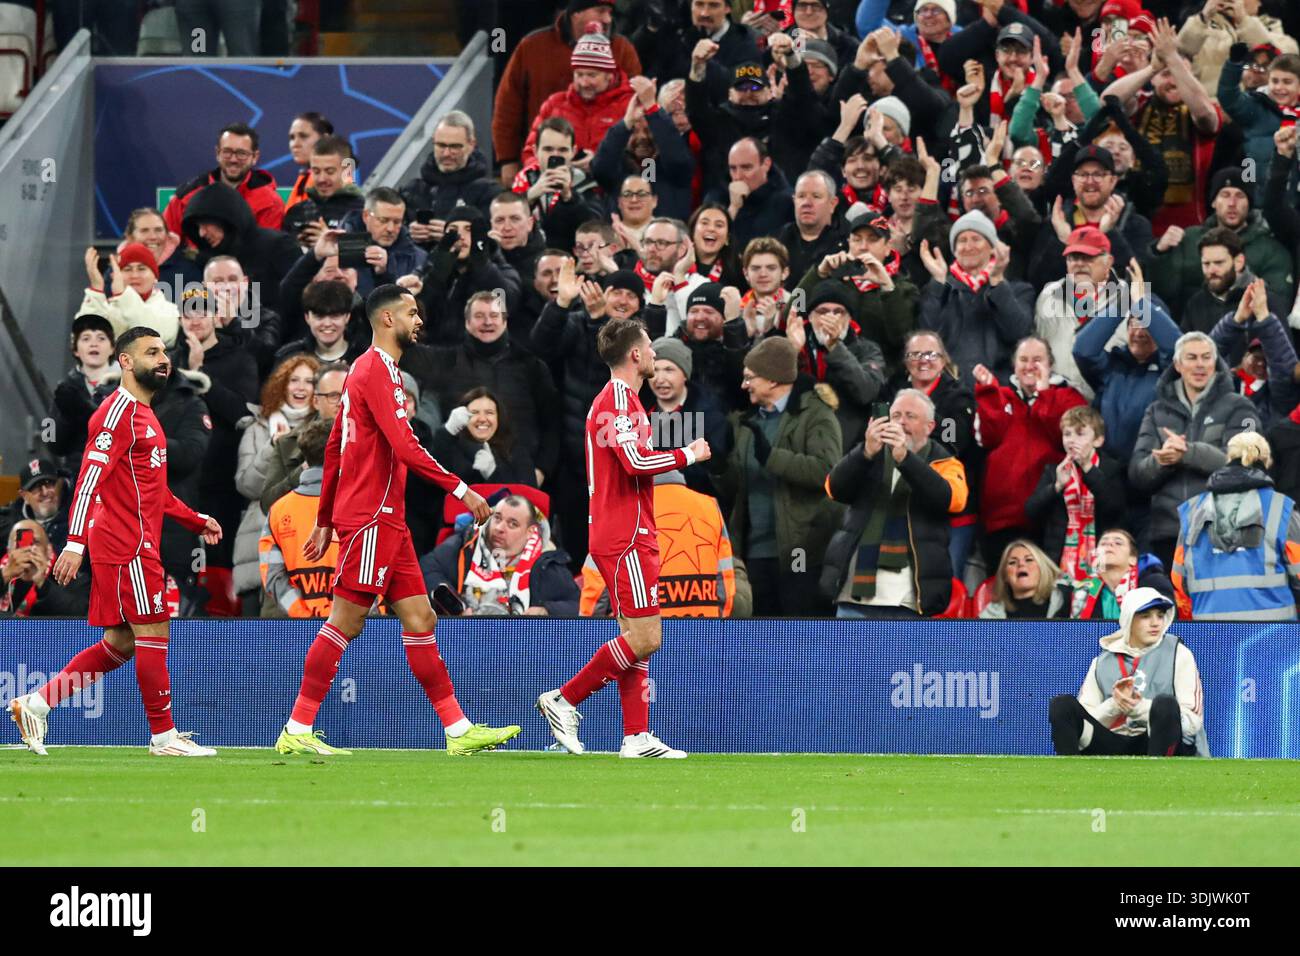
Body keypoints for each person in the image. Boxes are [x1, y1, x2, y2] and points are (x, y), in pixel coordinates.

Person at [276, 285, 519, 757]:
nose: (418, 319)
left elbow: (333, 449)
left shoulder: (360, 372)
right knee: (346, 620)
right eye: (411, 312)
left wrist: (325, 517)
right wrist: (462, 488)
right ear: (387, 319)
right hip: (372, 517)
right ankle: (298, 726)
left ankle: (457, 729)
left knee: (420, 616)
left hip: (386, 518)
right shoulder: (378, 371)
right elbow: (406, 446)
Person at [9, 328, 223, 757]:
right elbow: (89, 478)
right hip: (125, 546)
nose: (163, 359)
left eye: (164, 351)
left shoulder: (145, 415)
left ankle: (36, 703)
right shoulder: (117, 414)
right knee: (154, 631)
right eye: (151, 352)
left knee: (122, 643)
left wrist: (195, 519)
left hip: (132, 542)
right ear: (125, 362)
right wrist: (73, 542)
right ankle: (164, 737)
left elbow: (154, 491)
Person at [536, 316, 710, 759]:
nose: (654, 354)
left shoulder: (619, 399)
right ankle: (565, 698)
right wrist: (687, 453)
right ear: (635, 354)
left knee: (634, 633)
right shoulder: (617, 398)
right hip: (626, 533)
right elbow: (634, 461)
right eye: (650, 347)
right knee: (647, 637)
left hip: (624, 529)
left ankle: (635, 736)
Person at [716, 336, 844, 616]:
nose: (743, 385)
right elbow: (734, 487)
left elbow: (827, 472)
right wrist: (717, 467)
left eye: (750, 377)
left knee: (800, 645)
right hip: (752, 554)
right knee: (758, 647)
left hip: (802, 555)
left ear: (773, 380)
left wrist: (772, 457)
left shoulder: (816, 415)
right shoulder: (745, 422)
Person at [823, 388, 967, 618]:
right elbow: (834, 488)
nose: (901, 422)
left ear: (929, 427)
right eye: (896, 415)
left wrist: (905, 459)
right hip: (854, 594)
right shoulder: (868, 456)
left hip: (908, 599)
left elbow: (952, 500)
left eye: (911, 416)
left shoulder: (946, 462)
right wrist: (865, 451)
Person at [1129, 331, 1257, 571]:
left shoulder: (1239, 407)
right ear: (1178, 364)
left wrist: (1188, 453)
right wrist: (1163, 460)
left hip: (1222, 533)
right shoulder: (1156, 411)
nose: (1200, 364)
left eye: (1207, 357)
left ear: (1215, 362)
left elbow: (1246, 465)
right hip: (1169, 533)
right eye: (1192, 357)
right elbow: (1137, 474)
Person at [493, 0, 642, 185]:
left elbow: (641, 136)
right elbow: (507, 107)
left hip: (611, 186)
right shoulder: (532, 47)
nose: (607, 19)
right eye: (601, 11)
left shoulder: (622, 50)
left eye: (610, 13)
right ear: (576, 13)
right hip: (549, 178)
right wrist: (507, 160)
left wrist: (605, 164)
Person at [1048, 587, 1209, 757]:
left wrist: (1140, 708)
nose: (1155, 623)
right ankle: (1070, 777)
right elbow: (1087, 719)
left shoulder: (1179, 653)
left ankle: (1159, 777)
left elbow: (1193, 722)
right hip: (1112, 742)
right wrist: (1115, 705)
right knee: (1062, 705)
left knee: (1165, 705)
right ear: (1128, 619)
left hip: (1159, 743)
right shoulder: (1101, 662)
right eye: (1146, 616)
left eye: (1160, 616)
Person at [973, 336, 1088, 567]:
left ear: (1051, 364)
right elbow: (987, 437)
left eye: (1038, 360)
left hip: (1049, 520)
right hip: (1000, 520)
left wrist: (1044, 395)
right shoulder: (1002, 395)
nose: (1030, 366)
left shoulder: (1068, 397)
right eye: (1023, 359)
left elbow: (1067, 439)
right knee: (1002, 593)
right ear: (1014, 365)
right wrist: (988, 394)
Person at [579, 469, 748, 618]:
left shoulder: (620, 512)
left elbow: (596, 592)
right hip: (699, 638)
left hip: (643, 642)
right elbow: (725, 587)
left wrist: (592, 634)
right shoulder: (710, 507)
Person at [1172, 431, 1300, 621]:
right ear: (1266, 462)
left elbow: (1179, 581)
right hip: (1274, 639)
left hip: (1211, 634)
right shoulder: (1281, 509)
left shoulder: (1193, 511)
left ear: (1228, 458)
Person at [234, 355, 321, 613]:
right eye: (294, 380)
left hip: (308, 539)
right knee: (263, 640)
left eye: (309, 381)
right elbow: (246, 485)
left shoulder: (326, 430)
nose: (301, 388)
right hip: (257, 538)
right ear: (281, 384)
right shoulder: (257, 427)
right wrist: (273, 446)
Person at [1148, 168, 1294, 319]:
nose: (1232, 203)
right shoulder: (1189, 238)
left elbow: (1278, 305)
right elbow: (1162, 293)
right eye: (1224, 195)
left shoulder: (1271, 249)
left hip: (1245, 332)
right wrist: (1159, 253)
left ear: (1249, 204)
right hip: (1188, 332)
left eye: (1240, 196)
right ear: (1213, 202)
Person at [918, 211, 1034, 384]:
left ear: (992, 247)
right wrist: (938, 282)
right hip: (951, 392)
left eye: (976, 239)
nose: (968, 246)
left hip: (999, 392)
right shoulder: (940, 289)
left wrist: (997, 283)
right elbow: (926, 333)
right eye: (962, 241)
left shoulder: (1019, 290)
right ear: (954, 250)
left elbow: (1018, 333)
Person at [422, 495, 580, 617]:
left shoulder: (546, 561)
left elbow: (577, 604)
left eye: (512, 524)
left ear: (530, 532)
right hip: (465, 635)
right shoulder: (467, 543)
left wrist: (546, 610)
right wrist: (454, 606)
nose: (499, 528)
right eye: (497, 518)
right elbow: (426, 568)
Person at [1024, 406, 1128, 580]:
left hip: (1102, 558)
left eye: (1080, 434)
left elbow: (1114, 508)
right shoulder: (1053, 470)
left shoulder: (1112, 468)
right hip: (1061, 560)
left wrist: (1088, 468)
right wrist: (1056, 486)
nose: (1072, 440)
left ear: (1098, 440)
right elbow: (1031, 511)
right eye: (1067, 434)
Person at [519, 25, 635, 169]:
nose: (584, 83)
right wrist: (545, 172)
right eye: (579, 74)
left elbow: (642, 157)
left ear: (609, 76)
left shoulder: (630, 106)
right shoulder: (554, 105)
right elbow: (530, 152)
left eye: (592, 75)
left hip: (614, 188)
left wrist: (598, 164)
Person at [258, 417, 337, 619]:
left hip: (296, 631)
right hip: (358, 632)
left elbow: (273, 577)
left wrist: (304, 617)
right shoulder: (362, 508)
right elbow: (373, 575)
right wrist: (343, 618)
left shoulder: (278, 510)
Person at [181, 182, 301, 314]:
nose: (201, 233)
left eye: (205, 224)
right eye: (198, 226)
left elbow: (298, 297)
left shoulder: (278, 246)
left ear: (226, 219)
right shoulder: (209, 260)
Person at [163, 122, 285, 237]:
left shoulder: (270, 203)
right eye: (227, 152)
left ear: (255, 157)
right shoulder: (186, 197)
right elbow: (166, 248)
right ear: (217, 153)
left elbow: (268, 253)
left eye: (241, 153)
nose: (233, 159)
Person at [646, 335, 732, 497]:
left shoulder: (710, 416)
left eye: (669, 370)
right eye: (654, 370)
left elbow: (718, 475)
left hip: (694, 508)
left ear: (685, 374)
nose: (660, 379)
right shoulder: (639, 411)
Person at [260, 362, 350, 514]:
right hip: (302, 527)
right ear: (315, 401)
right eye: (333, 396)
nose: (342, 403)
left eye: (348, 395)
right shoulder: (289, 443)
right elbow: (268, 504)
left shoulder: (374, 440)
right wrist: (304, 469)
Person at [400, 110, 502, 239]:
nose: (447, 153)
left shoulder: (490, 194)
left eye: (455, 146)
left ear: (471, 145)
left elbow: (496, 241)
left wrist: (457, 236)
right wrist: (407, 234)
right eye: (441, 145)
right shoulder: (411, 190)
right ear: (433, 142)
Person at [48, 315, 117, 474]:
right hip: (77, 478)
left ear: (113, 347)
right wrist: (67, 417)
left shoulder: (127, 386)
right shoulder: (64, 389)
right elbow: (50, 441)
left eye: (101, 338)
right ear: (75, 349)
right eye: (86, 338)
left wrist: (86, 410)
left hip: (116, 476)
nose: (94, 343)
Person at [1177, 0, 1297, 91]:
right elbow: (1180, 52)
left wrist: (1244, 20)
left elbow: (1282, 63)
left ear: (1260, 2)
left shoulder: (1278, 36)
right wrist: (1203, 17)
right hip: (1211, 113)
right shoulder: (1201, 30)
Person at [430, 388, 538, 487]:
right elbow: (430, 486)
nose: (482, 419)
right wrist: (446, 432)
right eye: (474, 413)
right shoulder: (450, 447)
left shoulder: (516, 451)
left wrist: (493, 474)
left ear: (499, 417)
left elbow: (528, 498)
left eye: (489, 413)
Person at [79, 243, 181, 347]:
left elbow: (152, 339)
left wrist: (123, 295)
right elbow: (84, 338)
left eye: (141, 269)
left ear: (155, 277)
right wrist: (96, 290)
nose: (134, 275)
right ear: (115, 276)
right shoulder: (107, 309)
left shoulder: (169, 310)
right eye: (127, 269)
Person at [336, 186, 428, 298]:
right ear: (366, 216)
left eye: (397, 222)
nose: (390, 228)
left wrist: (385, 272)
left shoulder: (419, 258)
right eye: (383, 220)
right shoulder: (337, 249)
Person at [1069, 528, 1176, 620]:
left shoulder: (1154, 583)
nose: (1109, 544)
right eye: (1103, 543)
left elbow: (1165, 623)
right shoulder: (1081, 590)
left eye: (1118, 543)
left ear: (1133, 559)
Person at [280, 136, 366, 246]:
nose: (322, 179)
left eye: (329, 171)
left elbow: (368, 257)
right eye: (316, 171)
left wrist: (330, 244)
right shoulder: (296, 211)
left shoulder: (363, 212)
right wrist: (297, 246)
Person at [0, 520, 89, 618]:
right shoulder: (3, 572)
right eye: (19, 542)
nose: (28, 549)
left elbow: (80, 616)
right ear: (8, 550)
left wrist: (42, 583)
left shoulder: (71, 576)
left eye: (35, 542)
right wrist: (5, 575)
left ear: (48, 550)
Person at [978, 539, 1069, 619]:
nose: (1021, 564)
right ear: (1005, 576)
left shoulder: (1066, 599)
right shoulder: (991, 615)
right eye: (1012, 562)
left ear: (1042, 569)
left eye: (1029, 560)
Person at [0, 459, 71, 560]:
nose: (45, 492)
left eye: (49, 483)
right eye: (36, 488)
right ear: (24, 496)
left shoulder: (78, 518)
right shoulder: (9, 525)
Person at [284, 112, 334, 214]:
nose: (295, 144)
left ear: (325, 139)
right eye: (292, 138)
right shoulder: (304, 176)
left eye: (303, 136)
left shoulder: (336, 181)